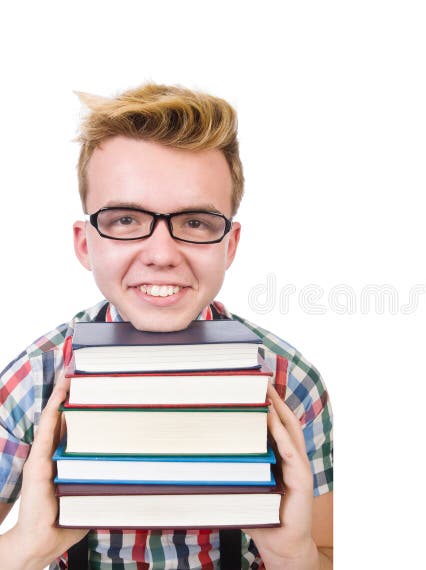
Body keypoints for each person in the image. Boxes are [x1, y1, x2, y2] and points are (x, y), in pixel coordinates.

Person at [0, 84, 333, 569]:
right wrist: (28, 546)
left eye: (196, 222)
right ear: (85, 243)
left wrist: (293, 554)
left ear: (230, 244)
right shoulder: (31, 384)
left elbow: (327, 553)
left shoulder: (290, 384)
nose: (161, 254)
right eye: (125, 219)